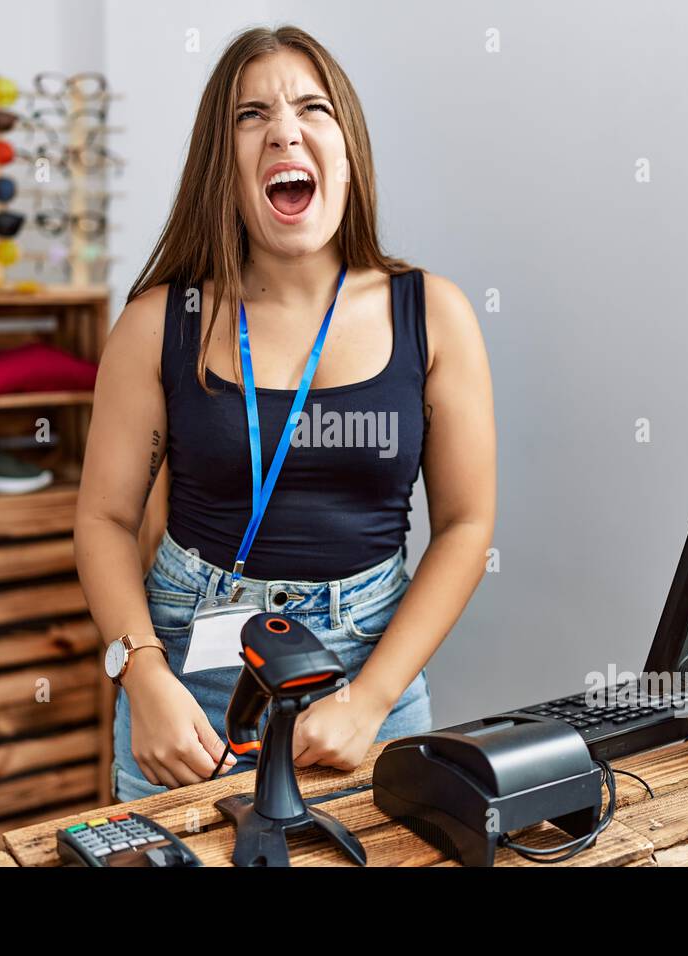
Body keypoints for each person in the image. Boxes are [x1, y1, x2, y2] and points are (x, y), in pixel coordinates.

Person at [75, 25, 496, 802]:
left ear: (346, 150)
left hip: (369, 667)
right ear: (221, 166)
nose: (284, 130)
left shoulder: (434, 314)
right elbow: (102, 520)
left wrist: (370, 700)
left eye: (312, 107)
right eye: (250, 116)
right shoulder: (158, 323)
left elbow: (467, 527)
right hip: (189, 673)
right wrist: (142, 678)